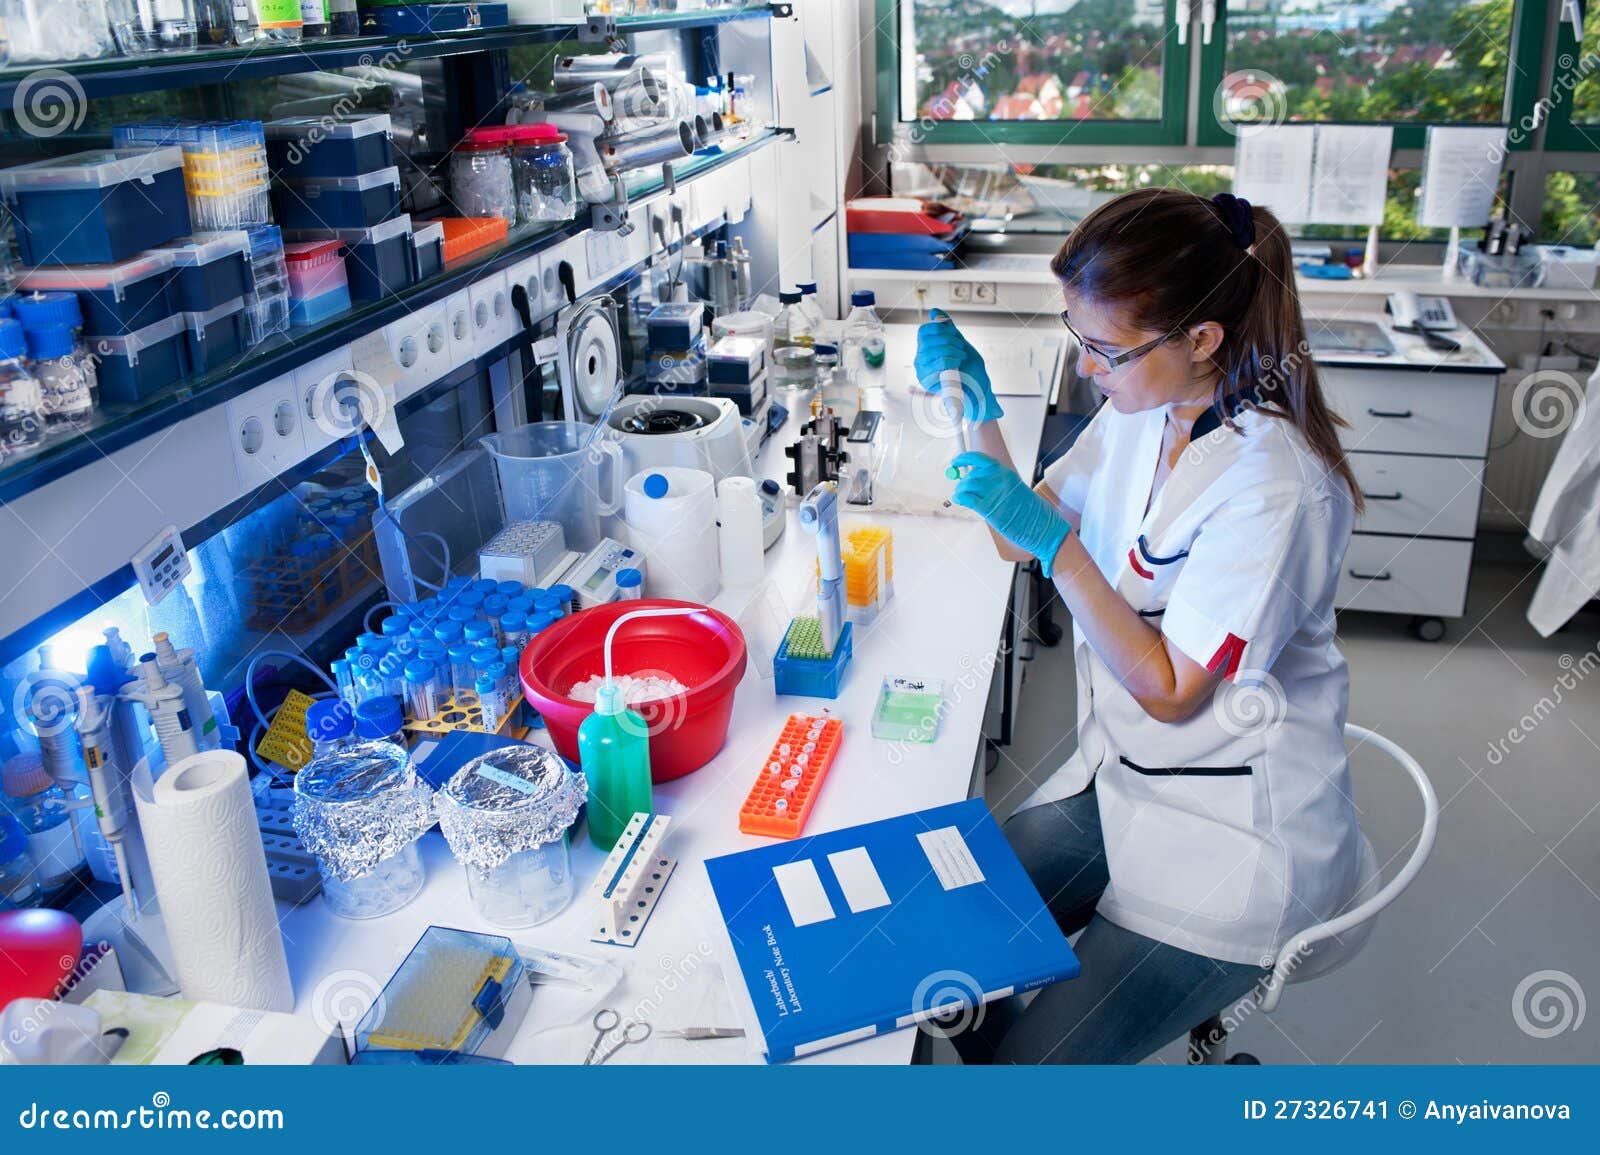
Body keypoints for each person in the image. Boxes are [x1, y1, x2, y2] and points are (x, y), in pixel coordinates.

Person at [915, 188, 1367, 1064]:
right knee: (941, 945)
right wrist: (974, 406)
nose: (1087, 367)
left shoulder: (1273, 486)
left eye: (1105, 349)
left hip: (1233, 840)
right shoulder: (1143, 411)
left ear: (1203, 339)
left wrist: (1065, 551)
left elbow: (1168, 687)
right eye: (1076, 337)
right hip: (1127, 781)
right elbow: (1021, 535)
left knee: (1024, 1073)